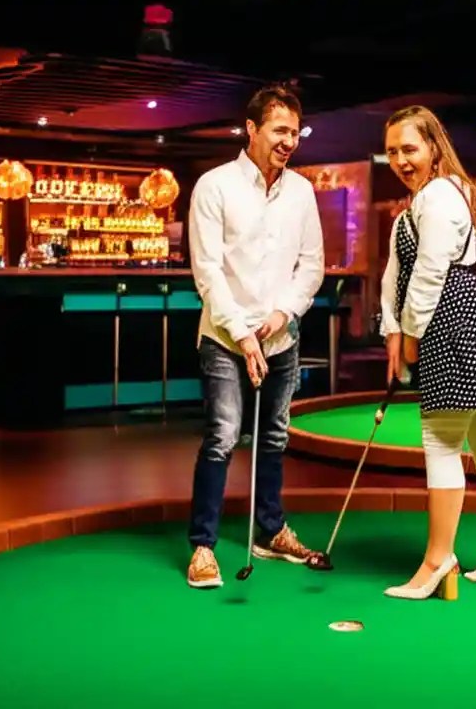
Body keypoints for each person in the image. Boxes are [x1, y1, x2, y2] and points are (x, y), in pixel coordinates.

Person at [184, 84, 325, 589]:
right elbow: (208, 272)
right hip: (225, 336)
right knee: (223, 437)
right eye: (279, 130)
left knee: (274, 437)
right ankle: (203, 546)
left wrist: (284, 313)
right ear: (252, 129)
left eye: (295, 132)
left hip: (281, 337)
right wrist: (244, 334)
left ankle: (270, 531)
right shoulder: (214, 186)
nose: (289, 141)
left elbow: (311, 264)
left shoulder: (303, 192)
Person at [379, 105, 476, 600]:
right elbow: (393, 277)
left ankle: (439, 562)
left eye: (409, 148)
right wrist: (392, 331)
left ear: (434, 147)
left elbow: (429, 273)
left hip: (453, 320)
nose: (400, 159)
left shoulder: (438, 195)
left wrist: (411, 333)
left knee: (441, 443)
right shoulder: (436, 195)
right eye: (392, 151)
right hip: (474, 317)